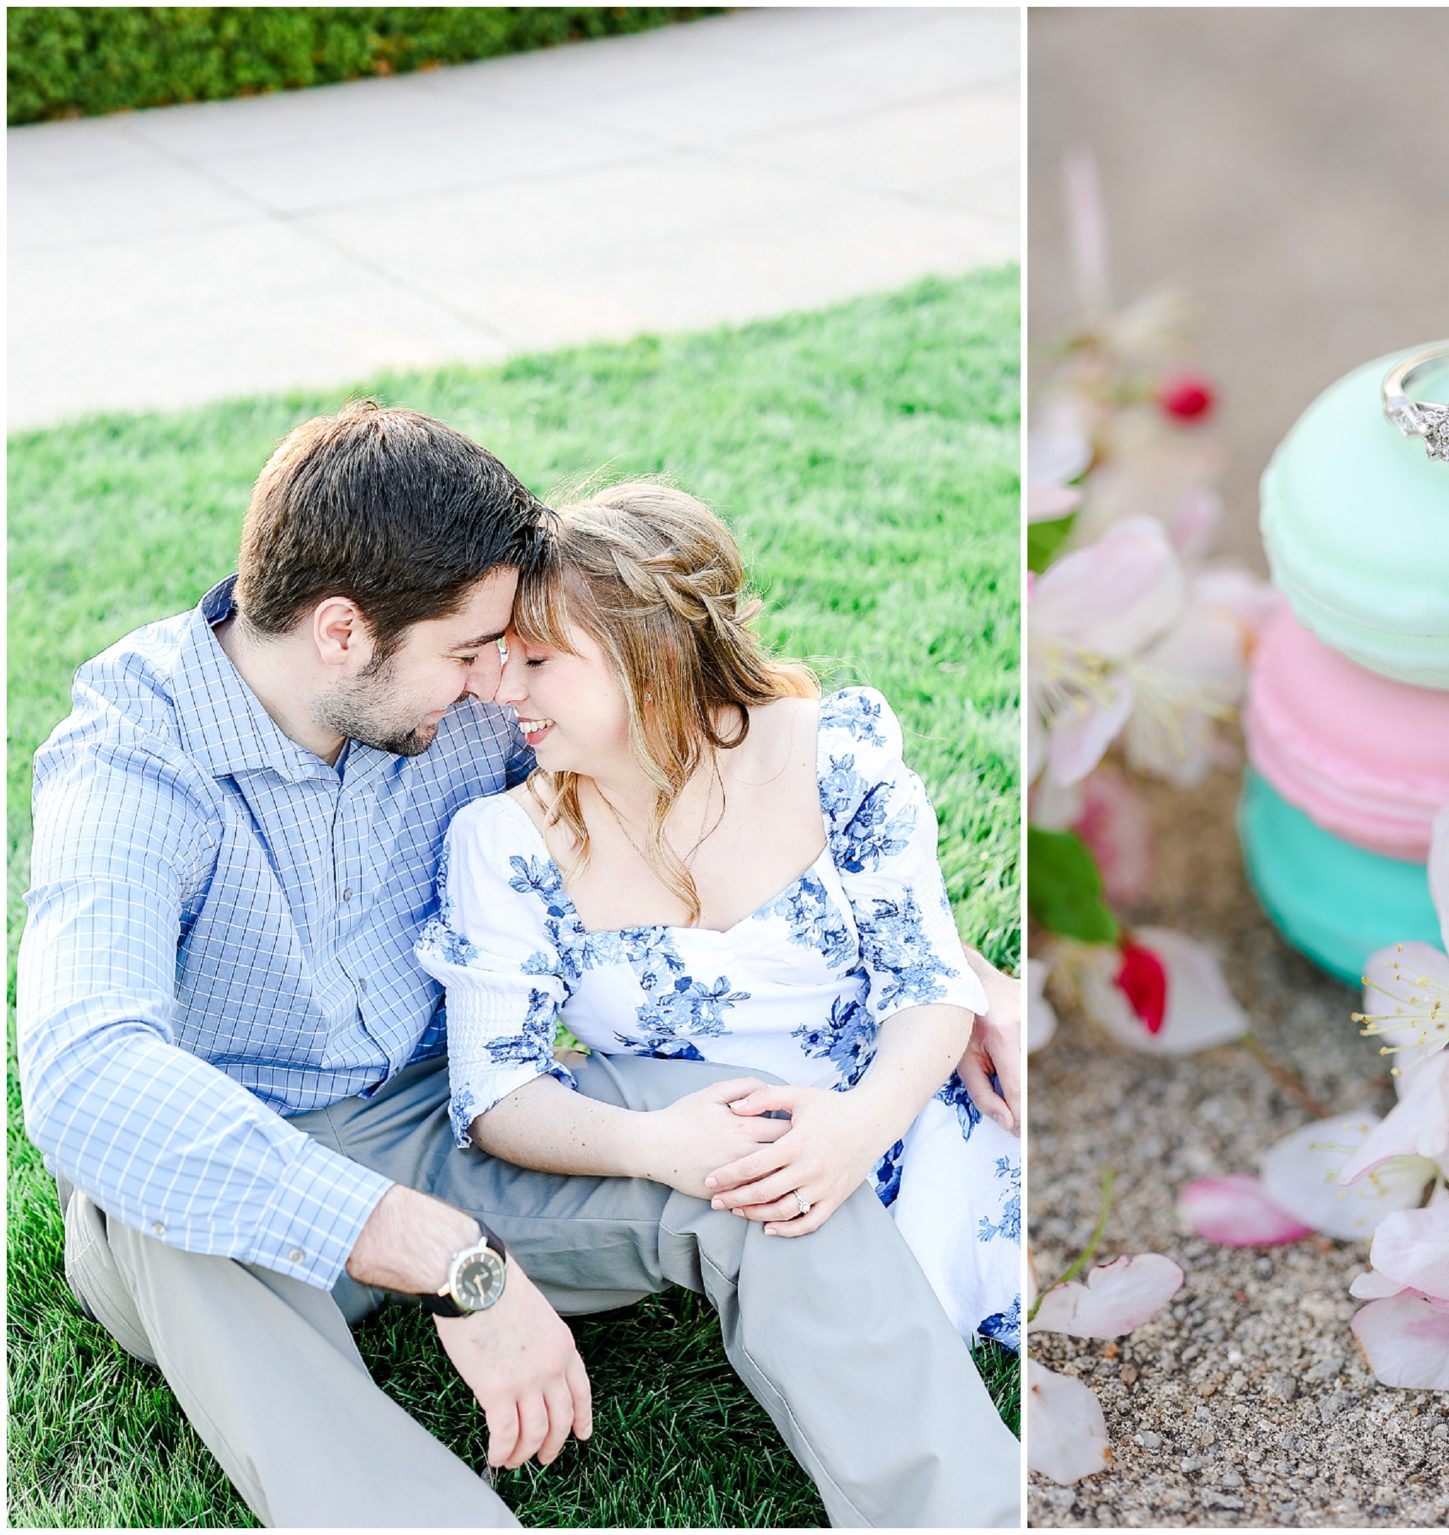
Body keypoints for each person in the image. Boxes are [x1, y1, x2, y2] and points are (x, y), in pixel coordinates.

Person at [16, 400, 1022, 1528]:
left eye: (506, 652)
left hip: (437, 1115)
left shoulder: (453, 695)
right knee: (161, 1203)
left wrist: (964, 977)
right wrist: (440, 1251)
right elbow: (81, 1067)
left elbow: (692, 758)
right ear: (343, 632)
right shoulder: (131, 750)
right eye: (466, 653)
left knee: (749, 1142)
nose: (496, 683)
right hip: (224, 1153)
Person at [417, 481, 1022, 1357]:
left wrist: (860, 1126)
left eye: (539, 660)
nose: (500, 685)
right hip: (711, 1180)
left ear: (649, 655)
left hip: (902, 1113)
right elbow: (492, 1092)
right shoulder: (506, 842)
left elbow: (926, 977)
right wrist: (654, 1144)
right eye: (502, 654)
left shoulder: (834, 755)